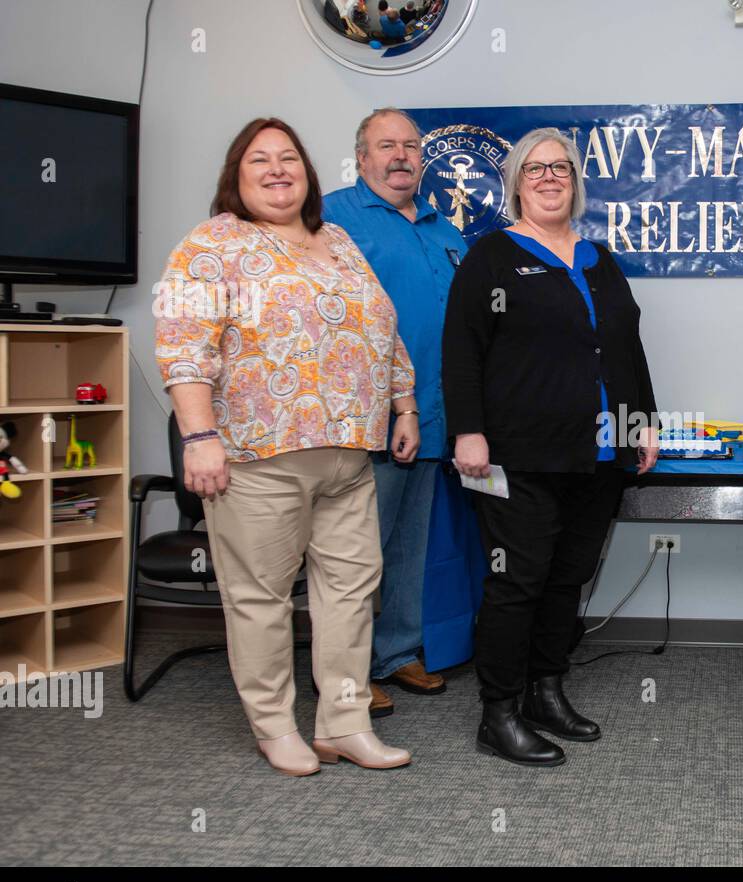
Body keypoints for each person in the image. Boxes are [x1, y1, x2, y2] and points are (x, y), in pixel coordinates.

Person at [155, 117, 415, 777]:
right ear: (236, 178)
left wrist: (403, 403)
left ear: (309, 171)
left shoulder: (338, 240)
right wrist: (200, 435)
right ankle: (275, 728)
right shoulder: (214, 243)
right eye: (259, 160)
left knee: (353, 591)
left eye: (289, 158)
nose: (277, 170)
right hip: (256, 459)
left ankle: (345, 723)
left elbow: (382, 325)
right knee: (261, 597)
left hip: (350, 457)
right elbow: (183, 344)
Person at [443, 127, 659, 768]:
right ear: (516, 183)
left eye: (559, 166)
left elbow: (626, 346)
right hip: (517, 455)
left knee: (568, 579)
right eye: (533, 168)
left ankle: (545, 691)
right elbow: (462, 350)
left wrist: (641, 420)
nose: (547, 177)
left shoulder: (599, 259)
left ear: (575, 179)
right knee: (518, 581)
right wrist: (468, 430)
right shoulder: (492, 257)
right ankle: (499, 712)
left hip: (596, 454)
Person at [323, 108, 483, 720]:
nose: (400, 156)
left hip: (436, 418)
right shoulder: (334, 218)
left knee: (412, 545)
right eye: (385, 146)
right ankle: (346, 670)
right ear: (361, 157)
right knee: (357, 551)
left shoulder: (448, 232)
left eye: (411, 146)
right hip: (368, 420)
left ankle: (394, 652)